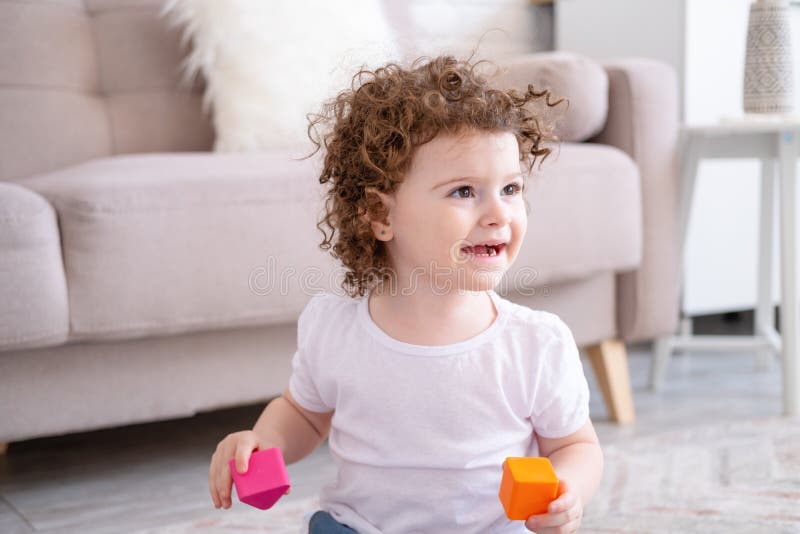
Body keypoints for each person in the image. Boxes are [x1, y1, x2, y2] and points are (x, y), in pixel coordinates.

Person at [208, 52, 604, 534]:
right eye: (464, 191)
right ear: (380, 215)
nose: (499, 213)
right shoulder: (334, 329)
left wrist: (567, 492)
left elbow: (575, 447)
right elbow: (303, 415)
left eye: (511, 189)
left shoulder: (535, 343)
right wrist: (262, 442)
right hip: (363, 527)